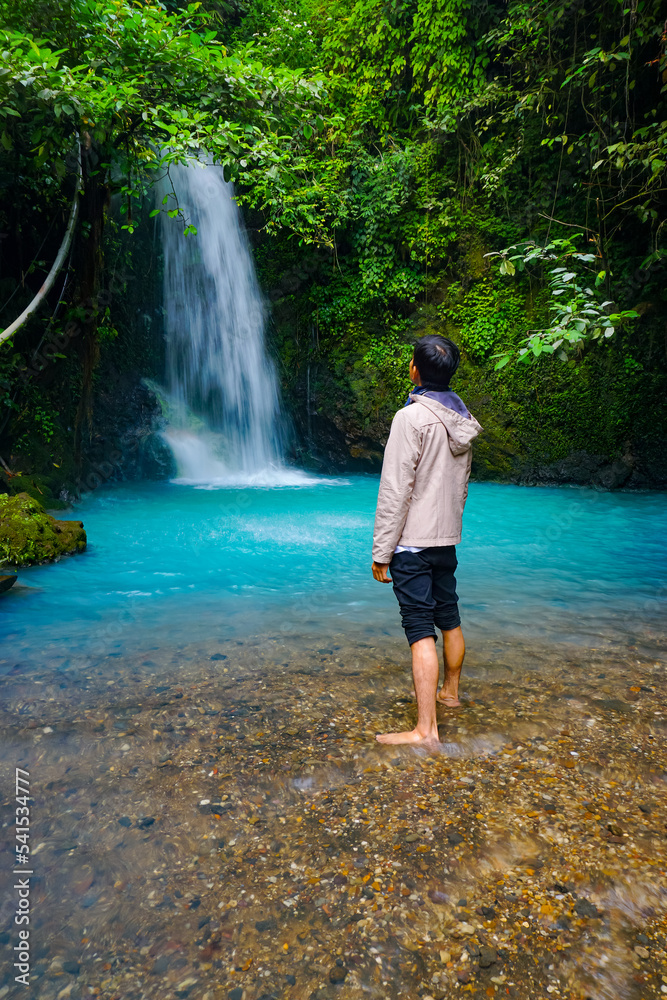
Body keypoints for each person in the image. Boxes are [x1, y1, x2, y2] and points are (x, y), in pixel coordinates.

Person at [371, 335, 482, 745]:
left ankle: (425, 730)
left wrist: (382, 551)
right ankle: (450, 694)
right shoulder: (462, 419)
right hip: (444, 540)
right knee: (448, 617)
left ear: (415, 370)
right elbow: (461, 487)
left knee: (420, 630)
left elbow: (395, 489)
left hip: (412, 544)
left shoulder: (410, 419)